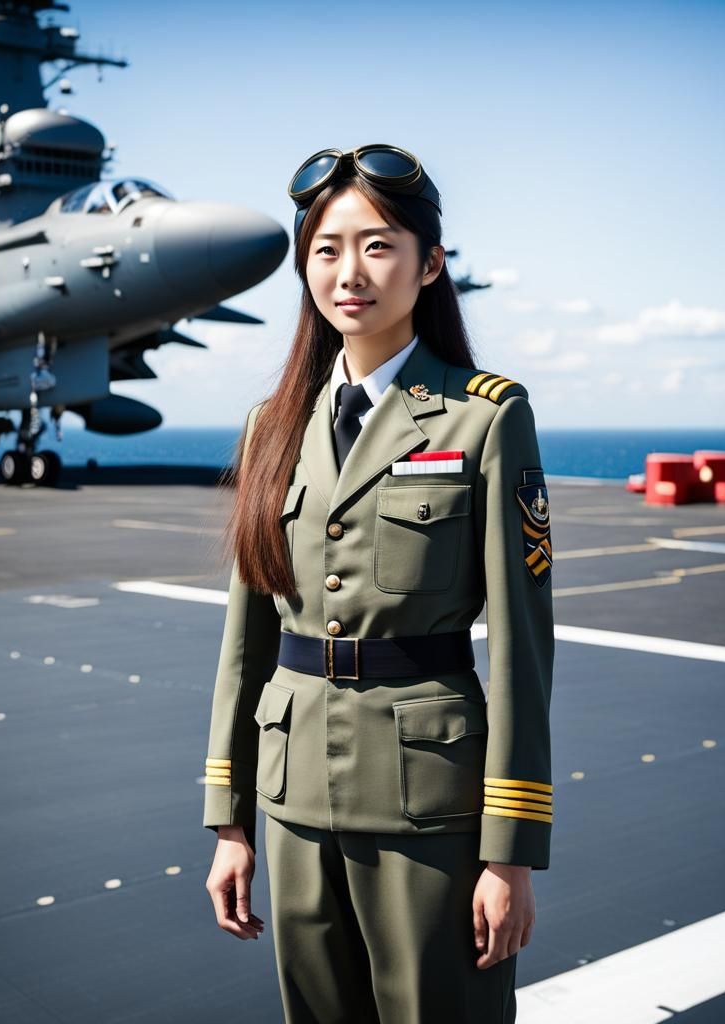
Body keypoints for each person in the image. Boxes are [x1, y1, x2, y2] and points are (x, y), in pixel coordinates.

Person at [203, 143, 555, 1023]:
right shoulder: (271, 426)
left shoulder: (484, 416)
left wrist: (509, 851)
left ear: (429, 265)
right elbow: (247, 639)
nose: (349, 272)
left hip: (428, 801)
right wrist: (230, 819)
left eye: (378, 245)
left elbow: (521, 648)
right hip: (291, 795)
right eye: (326, 249)